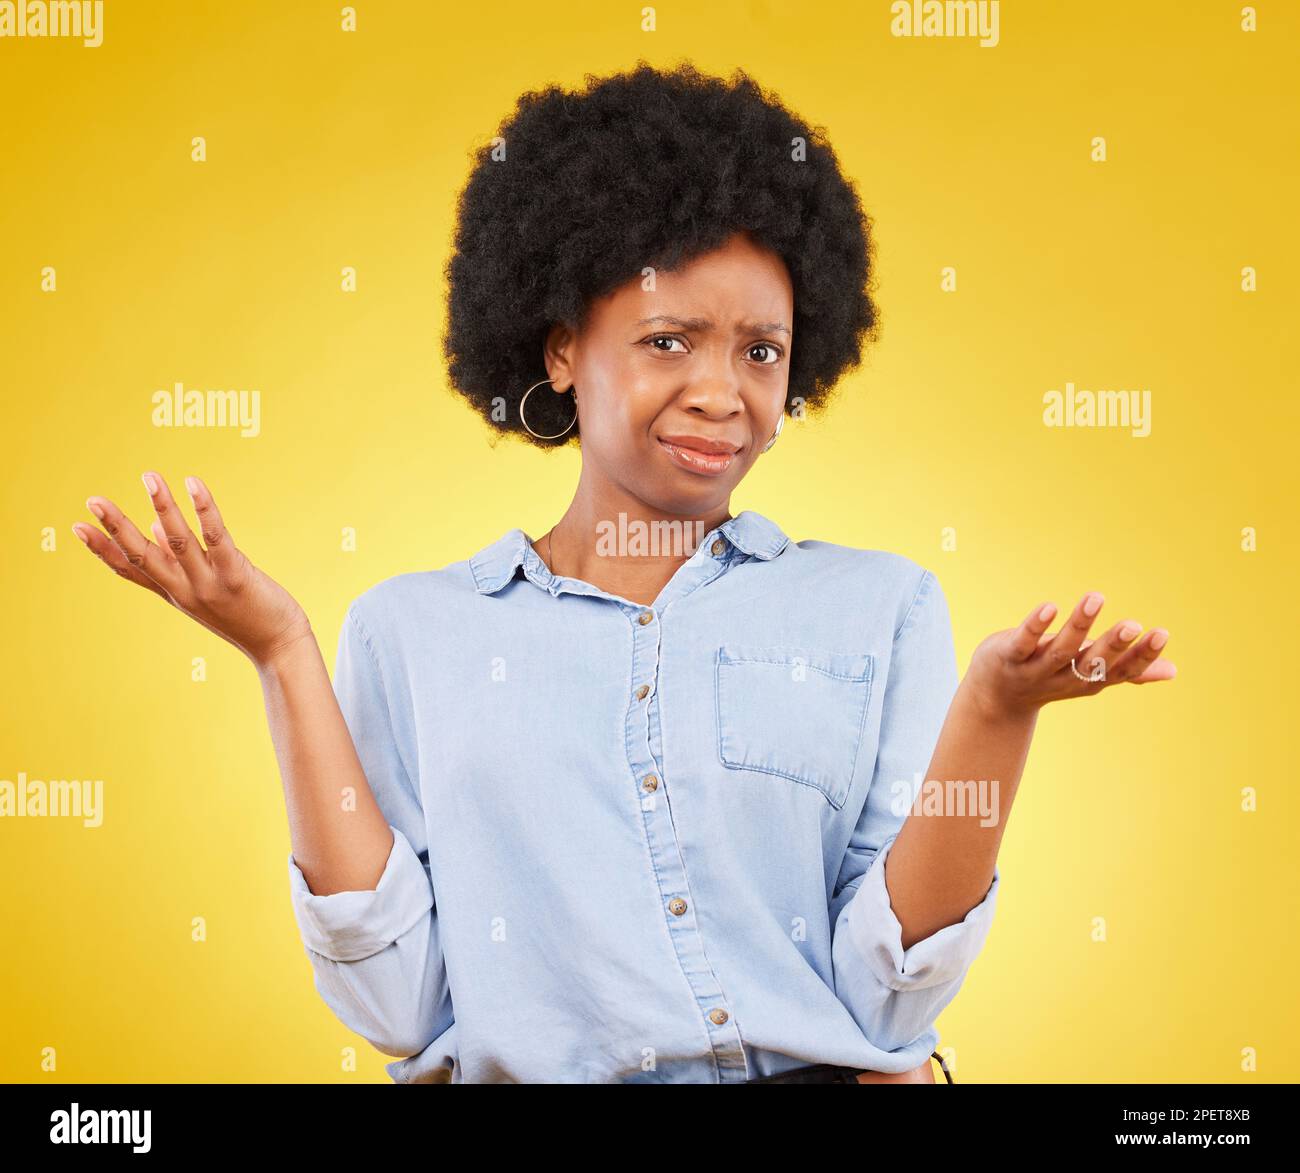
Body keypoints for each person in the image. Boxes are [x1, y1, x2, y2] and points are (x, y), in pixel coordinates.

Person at [71, 61, 1176, 1084]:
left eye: (761, 350)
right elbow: (400, 1006)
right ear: (561, 350)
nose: (721, 392)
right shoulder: (412, 632)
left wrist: (998, 708)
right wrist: (280, 653)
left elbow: (882, 1006)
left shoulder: (877, 608)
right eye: (666, 340)